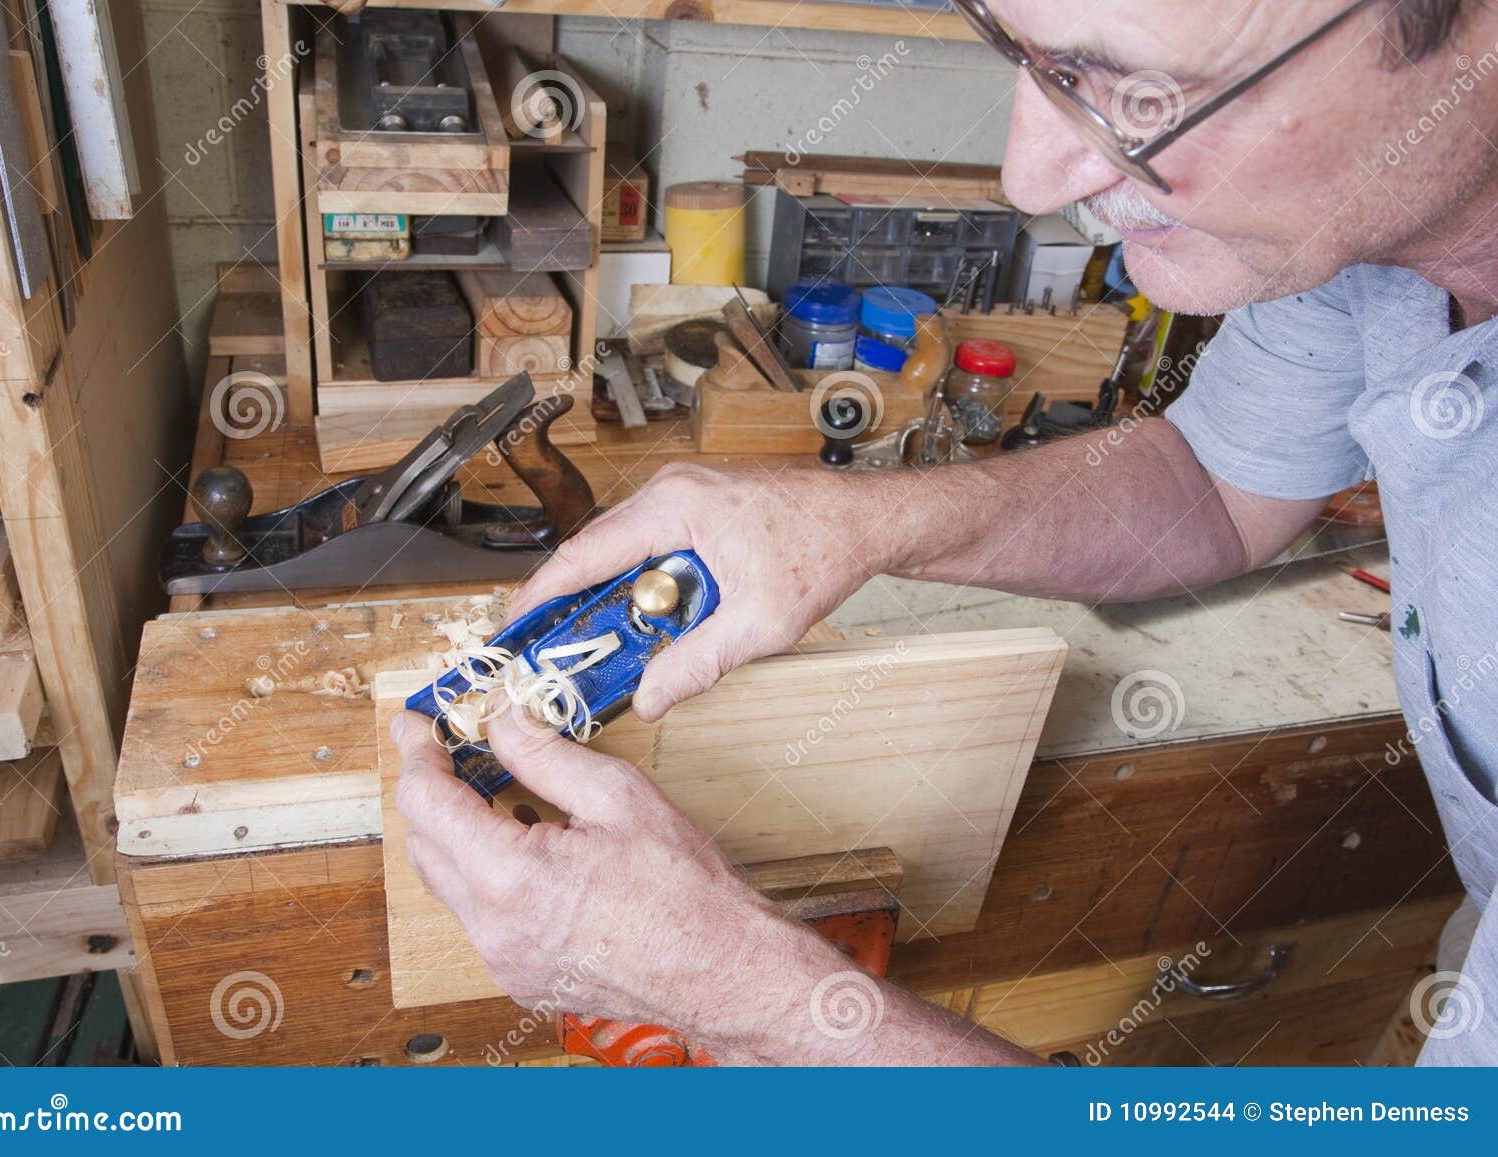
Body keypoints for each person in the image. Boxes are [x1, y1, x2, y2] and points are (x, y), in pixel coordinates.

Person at [391, 0, 1498, 1064]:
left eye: (1146, 95)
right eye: (1039, 59)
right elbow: (1219, 481)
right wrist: (856, 522)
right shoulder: (1359, 230)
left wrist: (745, 996)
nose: (1030, 175)